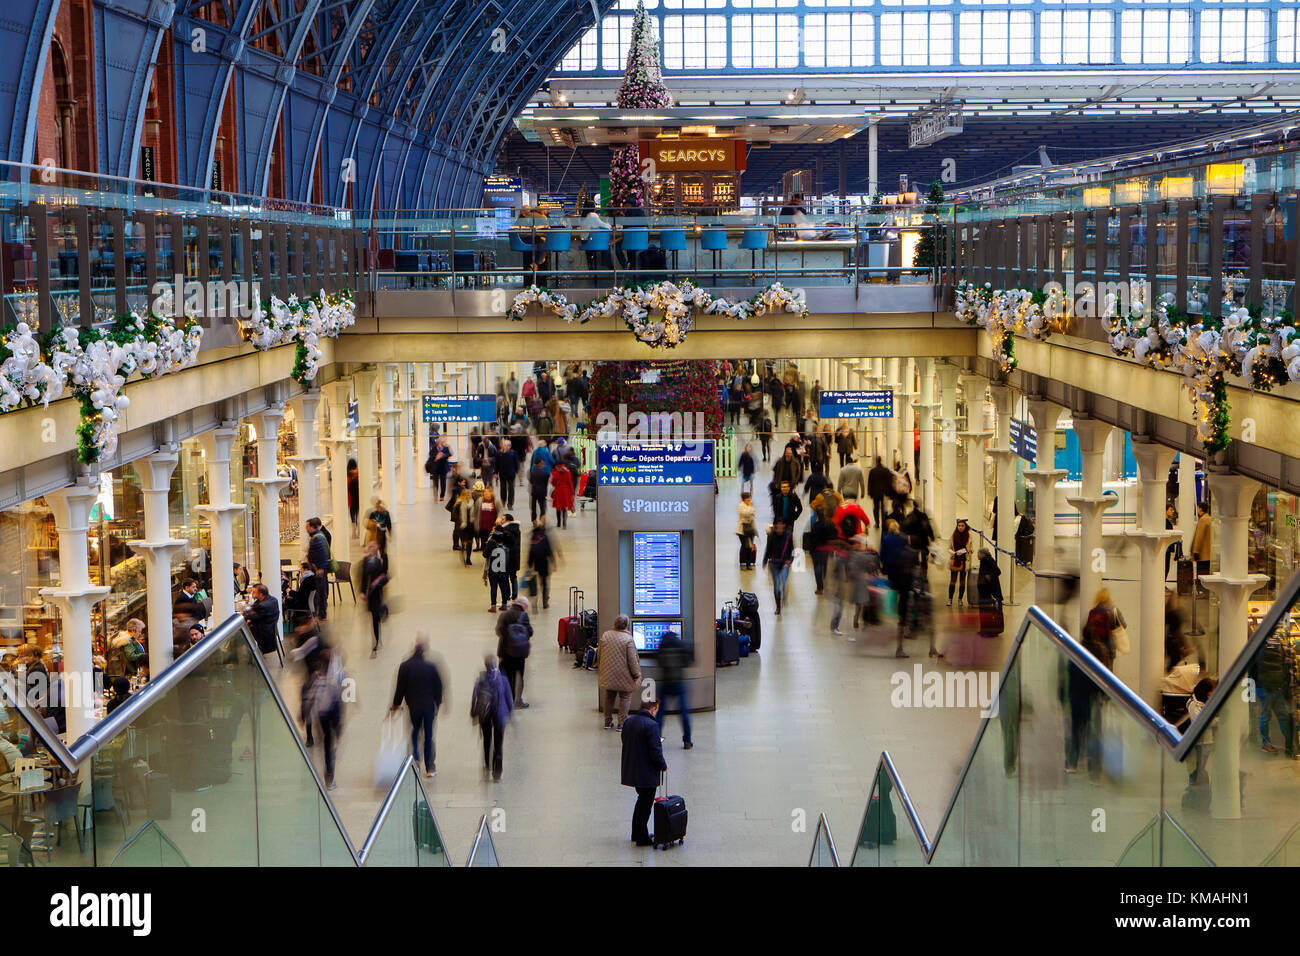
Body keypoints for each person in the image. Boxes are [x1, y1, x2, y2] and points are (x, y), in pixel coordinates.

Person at [390, 638, 444, 777]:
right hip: (428, 707)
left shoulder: (405, 666)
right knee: (428, 736)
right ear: (423, 651)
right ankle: (430, 767)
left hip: (413, 706)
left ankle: (416, 760)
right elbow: (438, 687)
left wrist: (395, 705)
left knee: (414, 733)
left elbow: (400, 688)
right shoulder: (431, 667)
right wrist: (437, 704)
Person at [621, 697, 668, 847]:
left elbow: (625, 739)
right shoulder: (652, 725)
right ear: (653, 709)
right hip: (646, 772)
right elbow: (655, 751)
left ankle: (637, 833)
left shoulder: (629, 721)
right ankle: (642, 837)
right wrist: (663, 765)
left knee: (641, 801)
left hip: (632, 769)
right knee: (645, 805)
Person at [304, 646, 345, 789]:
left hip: (322, 715)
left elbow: (309, 697)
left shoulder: (316, 677)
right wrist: (339, 728)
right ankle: (330, 776)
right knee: (329, 742)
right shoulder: (335, 678)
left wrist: (306, 715)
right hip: (332, 714)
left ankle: (329, 772)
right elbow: (339, 703)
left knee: (327, 743)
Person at [471, 654, 514, 781]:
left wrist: (473, 712)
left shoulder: (481, 679)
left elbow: (474, 697)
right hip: (500, 715)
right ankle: (497, 770)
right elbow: (509, 699)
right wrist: (510, 714)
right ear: (495, 665)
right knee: (498, 743)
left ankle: (487, 763)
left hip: (485, 714)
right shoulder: (503, 680)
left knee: (487, 739)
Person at [597, 614, 641, 730]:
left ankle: (607, 722)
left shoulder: (606, 635)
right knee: (625, 697)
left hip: (608, 673)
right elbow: (633, 660)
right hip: (624, 675)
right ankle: (621, 724)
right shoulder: (628, 639)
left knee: (609, 696)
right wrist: (636, 675)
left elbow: (599, 654)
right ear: (626, 626)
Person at [656, 630, 692, 749]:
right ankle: (687, 740)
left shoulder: (662, 646)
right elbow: (687, 662)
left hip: (666, 683)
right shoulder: (681, 645)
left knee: (660, 713)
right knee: (684, 712)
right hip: (678, 682)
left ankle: (656, 738)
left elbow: (659, 662)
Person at [495, 596, 533, 708]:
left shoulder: (504, 615)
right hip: (519, 653)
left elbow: (498, 631)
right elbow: (530, 632)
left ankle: (507, 701)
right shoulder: (523, 616)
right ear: (524, 606)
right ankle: (518, 701)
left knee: (506, 677)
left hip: (504, 652)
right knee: (519, 677)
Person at [360, 541, 389, 658]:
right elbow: (363, 578)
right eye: (369, 547)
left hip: (377, 594)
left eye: (372, 547)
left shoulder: (380, 561)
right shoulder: (366, 561)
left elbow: (386, 577)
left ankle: (375, 644)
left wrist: (378, 582)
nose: (370, 549)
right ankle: (376, 641)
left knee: (375, 620)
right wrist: (362, 592)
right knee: (374, 618)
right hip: (369, 595)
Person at [762, 519, 795, 616]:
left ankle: (784, 594)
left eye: (781, 525)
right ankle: (778, 606)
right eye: (778, 525)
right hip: (774, 563)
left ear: (784, 526)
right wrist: (765, 560)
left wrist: (790, 560)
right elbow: (768, 548)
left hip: (785, 562)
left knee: (783, 582)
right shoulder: (771, 536)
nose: (780, 528)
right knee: (777, 586)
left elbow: (792, 549)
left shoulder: (788, 536)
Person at [242, 583, 280, 657]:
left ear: (260, 594)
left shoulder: (263, 606)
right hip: (268, 627)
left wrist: (246, 615)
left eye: (254, 592)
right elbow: (254, 609)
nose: (252, 593)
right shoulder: (272, 599)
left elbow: (253, 616)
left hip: (263, 631)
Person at [527, 517, 557, 609]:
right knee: (544, 582)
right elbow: (549, 550)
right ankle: (545, 601)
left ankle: (535, 599)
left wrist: (529, 562)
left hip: (536, 562)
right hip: (544, 562)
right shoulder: (545, 536)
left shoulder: (534, 535)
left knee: (535, 581)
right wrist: (553, 562)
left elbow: (531, 550)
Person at [481, 525, 511, 611]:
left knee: (493, 587)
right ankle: (504, 604)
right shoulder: (506, 541)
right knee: (504, 587)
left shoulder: (492, 542)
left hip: (493, 568)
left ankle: (493, 606)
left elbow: (485, 554)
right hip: (504, 568)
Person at [947, 518, 971, 607]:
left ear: (965, 527)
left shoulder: (969, 536)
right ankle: (950, 599)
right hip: (955, 560)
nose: (960, 527)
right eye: (959, 526)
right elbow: (949, 548)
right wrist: (954, 553)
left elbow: (971, 547)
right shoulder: (953, 536)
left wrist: (970, 550)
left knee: (962, 581)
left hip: (964, 561)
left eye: (962, 526)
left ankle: (960, 599)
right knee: (953, 580)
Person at [451, 487, 476, 565]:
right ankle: (463, 553)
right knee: (464, 541)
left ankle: (468, 558)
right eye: (468, 495)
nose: (469, 496)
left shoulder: (473, 503)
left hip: (471, 526)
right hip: (462, 526)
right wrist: (460, 521)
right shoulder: (458, 504)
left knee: (470, 542)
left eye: (470, 494)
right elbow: (454, 515)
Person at [867, 456, 892, 532]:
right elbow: (889, 482)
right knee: (883, 508)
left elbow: (870, 483)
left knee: (876, 508)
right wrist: (889, 492)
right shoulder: (886, 470)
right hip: (884, 493)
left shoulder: (873, 471)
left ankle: (877, 522)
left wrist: (870, 493)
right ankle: (884, 522)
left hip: (875, 493)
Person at [1191, 501, 1212, 585]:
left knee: (1201, 574)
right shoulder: (1210, 519)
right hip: (1210, 553)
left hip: (1203, 553)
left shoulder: (1203, 520)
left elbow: (1199, 536)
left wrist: (1195, 551)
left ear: (1200, 508)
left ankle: (1201, 591)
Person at [736, 491, 758, 570]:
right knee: (745, 547)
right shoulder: (741, 506)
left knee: (750, 547)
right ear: (743, 499)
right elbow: (745, 513)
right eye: (748, 499)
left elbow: (752, 513)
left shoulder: (749, 506)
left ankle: (748, 564)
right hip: (742, 531)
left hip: (750, 530)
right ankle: (744, 564)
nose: (749, 500)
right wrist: (750, 507)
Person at [550, 460, 575, 528]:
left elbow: (553, 483)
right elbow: (570, 483)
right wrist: (572, 493)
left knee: (558, 508)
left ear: (558, 466)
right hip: (565, 492)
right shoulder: (567, 472)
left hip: (558, 492)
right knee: (564, 508)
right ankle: (564, 523)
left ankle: (558, 523)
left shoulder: (556, 473)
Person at [495, 439, 518, 509]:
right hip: (502, 473)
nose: (507, 446)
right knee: (503, 488)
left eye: (508, 445)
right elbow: (496, 464)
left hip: (511, 473)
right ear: (503, 445)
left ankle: (510, 504)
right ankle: (503, 501)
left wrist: (516, 470)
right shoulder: (499, 453)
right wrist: (495, 472)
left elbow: (516, 463)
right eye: (505, 445)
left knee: (511, 489)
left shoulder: (513, 453)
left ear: (510, 446)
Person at [477, 485, 500, 553]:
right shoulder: (479, 501)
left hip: (492, 527)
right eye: (485, 492)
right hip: (482, 527)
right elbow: (475, 512)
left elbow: (500, 511)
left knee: (492, 544)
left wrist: (498, 518)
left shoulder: (496, 501)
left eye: (488, 492)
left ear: (491, 493)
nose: (486, 493)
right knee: (484, 544)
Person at [1164, 503, 1182, 581]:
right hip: (1165, 549)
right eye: (1170, 510)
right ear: (1165, 510)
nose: (1173, 511)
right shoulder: (1164, 522)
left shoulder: (1167, 522)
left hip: (1167, 549)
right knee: (1165, 567)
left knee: (1166, 567)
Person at [347, 458, 360, 528]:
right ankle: (358, 528)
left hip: (350, 496)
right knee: (357, 512)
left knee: (352, 512)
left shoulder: (347, 475)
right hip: (358, 495)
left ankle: (354, 530)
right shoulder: (358, 474)